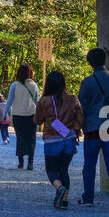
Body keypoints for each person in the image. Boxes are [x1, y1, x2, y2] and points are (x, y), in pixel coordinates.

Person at [77, 47, 109, 210]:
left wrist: (79, 127)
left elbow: (81, 106)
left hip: (93, 128)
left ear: (90, 63)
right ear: (105, 60)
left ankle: (88, 197)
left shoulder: (88, 82)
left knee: (89, 164)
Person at [35, 70, 84, 209]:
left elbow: (37, 120)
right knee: (64, 170)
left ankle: (59, 188)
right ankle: (63, 201)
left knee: (51, 170)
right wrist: (73, 131)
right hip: (69, 138)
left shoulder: (45, 101)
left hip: (52, 139)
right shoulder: (73, 99)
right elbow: (80, 120)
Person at [4, 63, 40, 170]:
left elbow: (10, 100)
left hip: (18, 115)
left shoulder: (14, 85)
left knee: (20, 138)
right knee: (31, 138)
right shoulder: (34, 85)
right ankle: (30, 162)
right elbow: (36, 101)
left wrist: (5, 113)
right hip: (31, 114)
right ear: (30, 73)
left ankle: (20, 162)